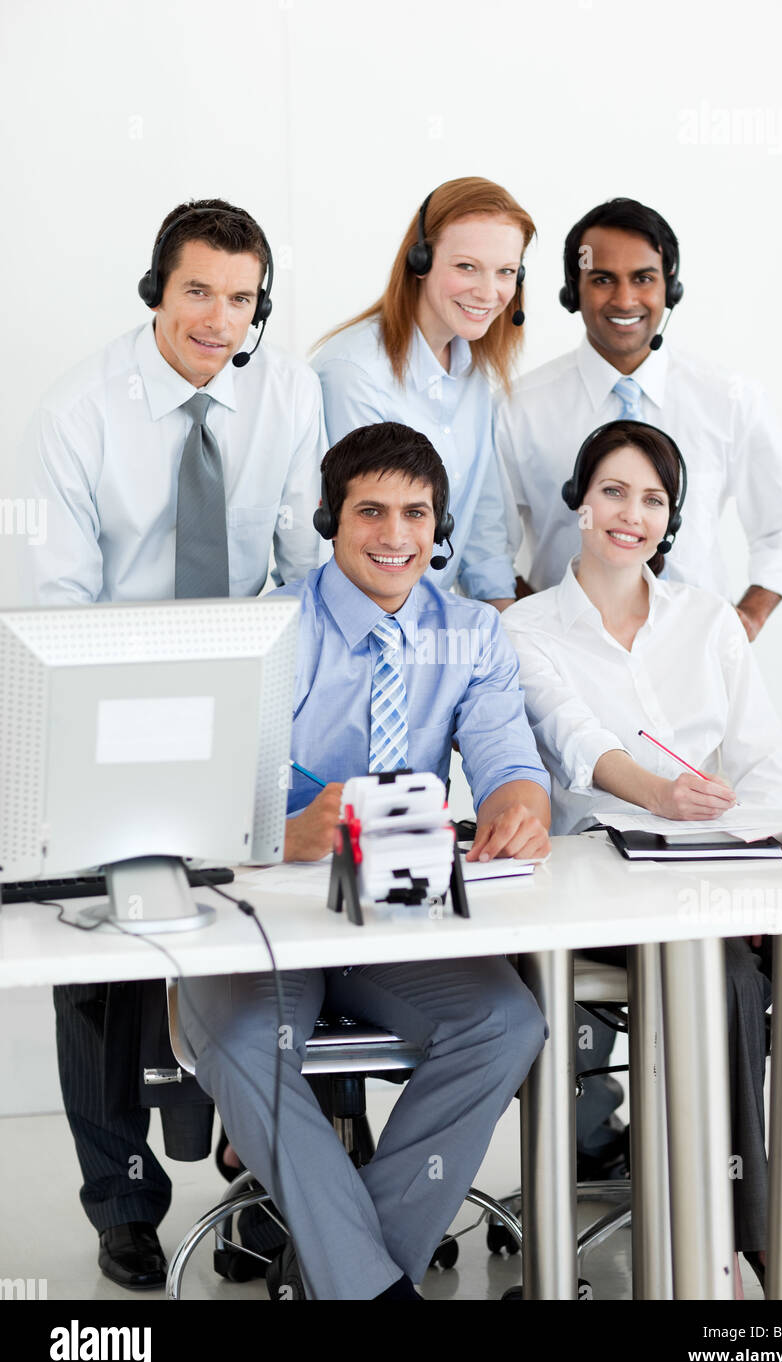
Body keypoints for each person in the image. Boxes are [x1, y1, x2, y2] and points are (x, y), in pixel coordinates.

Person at [19, 198, 328, 1289]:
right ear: (157, 289)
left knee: (276, 935)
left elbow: (303, 560)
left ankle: (268, 1181)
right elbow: (53, 603)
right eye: (198, 290)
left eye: (241, 298)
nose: (218, 317)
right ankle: (123, 1199)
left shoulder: (289, 394)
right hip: (111, 692)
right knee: (104, 966)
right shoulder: (79, 411)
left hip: (248, 688)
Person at [177, 421, 552, 1300]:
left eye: (416, 513)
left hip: (397, 905)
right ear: (330, 520)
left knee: (506, 1024)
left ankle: (343, 1278)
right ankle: (374, 1290)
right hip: (260, 916)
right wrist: (284, 831)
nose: (395, 535)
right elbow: (194, 801)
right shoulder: (265, 630)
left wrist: (516, 805)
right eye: (371, 511)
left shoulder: (471, 634)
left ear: (439, 526)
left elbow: (509, 765)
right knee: (240, 1040)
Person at [502, 419, 782, 1278]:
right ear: (580, 501)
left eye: (653, 500)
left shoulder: (708, 621)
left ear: (671, 520)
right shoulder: (527, 629)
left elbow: (762, 765)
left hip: (720, 868)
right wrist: (659, 793)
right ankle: (742, 1235)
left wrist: (764, 821)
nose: (631, 514)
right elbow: (575, 743)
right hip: (603, 886)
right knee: (728, 981)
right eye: (614, 492)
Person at [495, 197, 782, 640]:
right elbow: (486, 544)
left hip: (697, 657)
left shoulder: (729, 399)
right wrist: (533, 627)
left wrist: (746, 619)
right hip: (567, 659)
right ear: (572, 291)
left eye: (643, 278)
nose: (625, 299)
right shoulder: (518, 408)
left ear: (671, 288)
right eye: (603, 279)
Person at [312, 176, 534, 609]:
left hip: (429, 621)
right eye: (466, 267)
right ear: (421, 260)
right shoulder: (354, 373)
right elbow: (360, 534)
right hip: (360, 623)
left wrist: (504, 626)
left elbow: (483, 523)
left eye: (506, 271)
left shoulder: (474, 372)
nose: (489, 292)